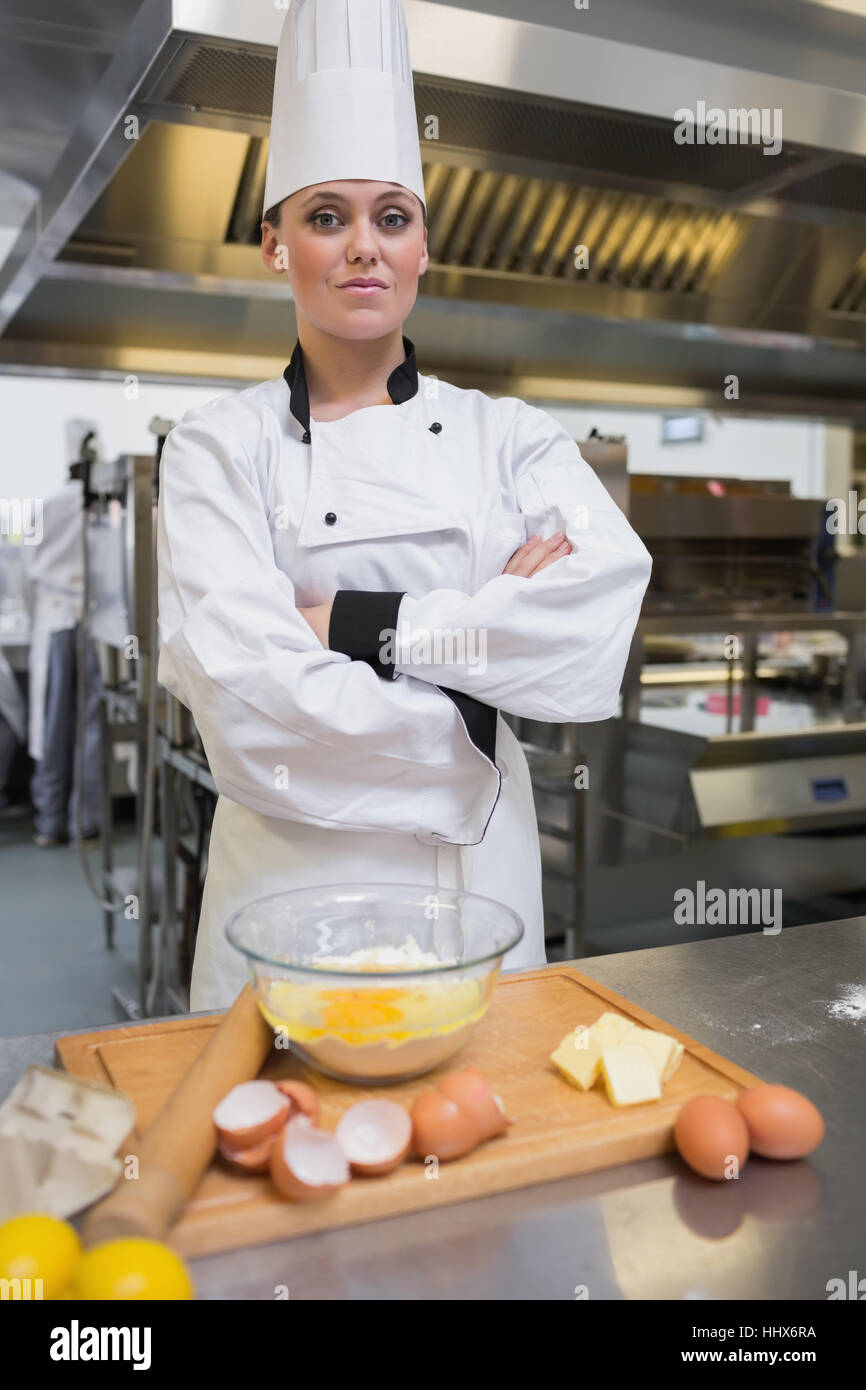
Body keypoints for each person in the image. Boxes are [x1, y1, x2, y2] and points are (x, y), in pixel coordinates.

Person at [157, 0, 653, 1011]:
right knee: (287, 1152)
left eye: (391, 216)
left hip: (487, 897)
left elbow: (592, 619)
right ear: (272, 244)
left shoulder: (507, 437)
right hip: (294, 909)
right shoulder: (219, 447)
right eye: (324, 217)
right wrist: (476, 696)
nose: (361, 249)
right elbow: (255, 709)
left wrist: (346, 623)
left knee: (493, 1144)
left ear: (424, 244)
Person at [22, 420, 103, 847]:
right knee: (89, 726)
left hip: (55, 625)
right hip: (91, 626)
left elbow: (25, 576)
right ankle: (82, 824)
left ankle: (48, 821)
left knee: (54, 726)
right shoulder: (102, 509)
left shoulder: (48, 505)